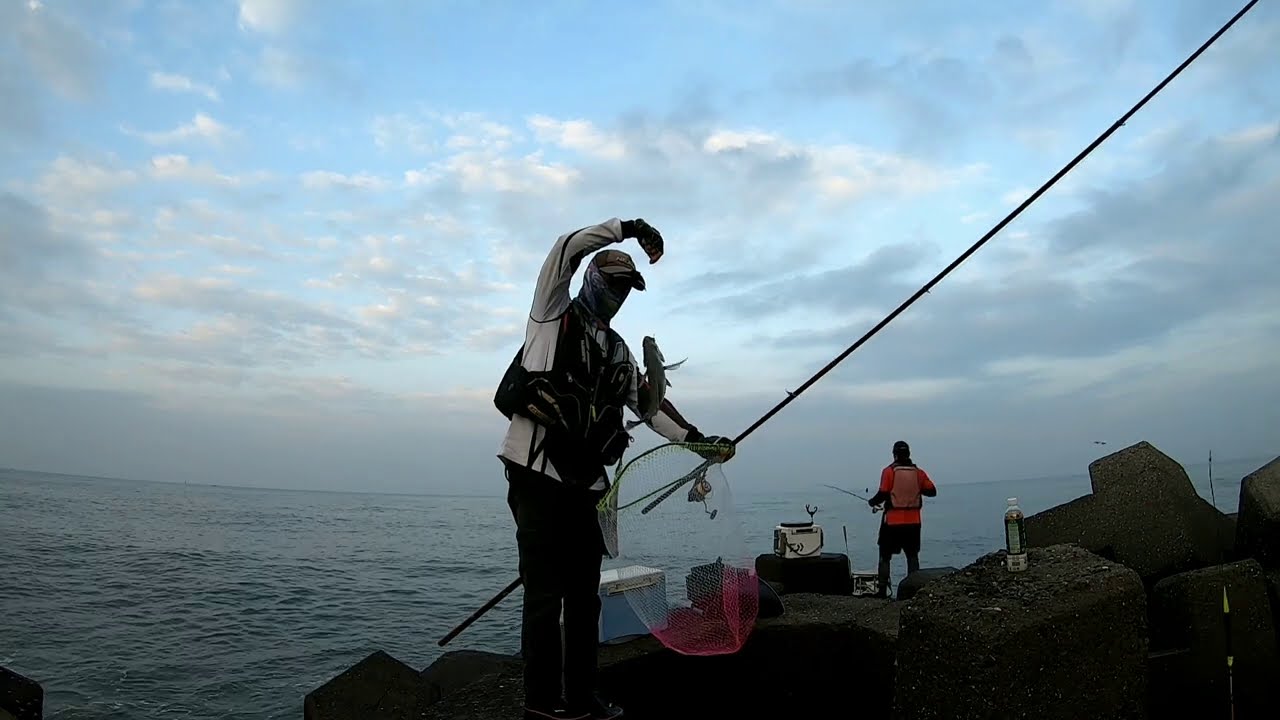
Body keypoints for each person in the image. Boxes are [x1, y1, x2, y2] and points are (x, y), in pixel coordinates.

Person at [495, 217, 736, 720]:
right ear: (591, 279)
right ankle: (540, 702)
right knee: (544, 594)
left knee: (585, 597)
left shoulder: (619, 351)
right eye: (613, 283)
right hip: (536, 476)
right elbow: (564, 249)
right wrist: (625, 228)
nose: (619, 295)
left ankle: (583, 697)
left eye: (628, 288)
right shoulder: (550, 315)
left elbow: (650, 409)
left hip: (587, 486)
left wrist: (699, 443)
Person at [867, 440, 936, 599]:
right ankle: (914, 591)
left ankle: (882, 591)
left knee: (885, 556)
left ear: (895, 454)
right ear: (909, 454)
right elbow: (932, 491)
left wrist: (872, 502)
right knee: (912, 556)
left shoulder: (889, 471)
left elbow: (883, 493)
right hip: (914, 522)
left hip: (892, 522)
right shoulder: (919, 473)